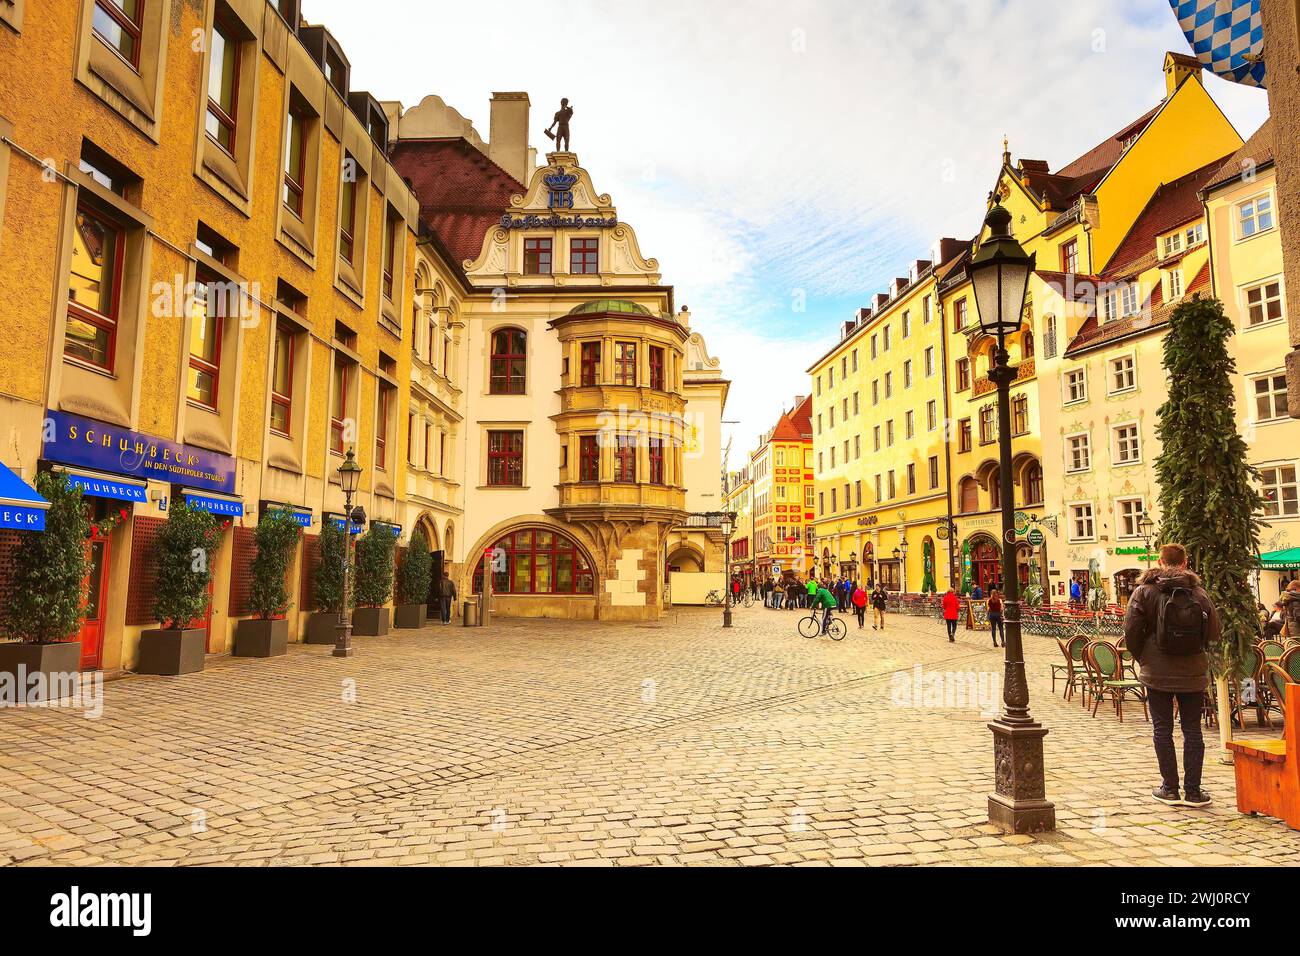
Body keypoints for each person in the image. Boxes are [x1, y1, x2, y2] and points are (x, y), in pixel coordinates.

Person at [1123, 543, 1220, 809]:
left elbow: (1130, 631)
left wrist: (1144, 657)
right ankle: (1193, 791)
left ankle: (1169, 788)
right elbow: (1213, 632)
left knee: (1162, 728)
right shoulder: (1199, 593)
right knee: (1192, 729)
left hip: (1157, 672)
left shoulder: (1143, 592)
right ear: (1185, 562)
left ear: (1159, 561)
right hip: (1193, 671)